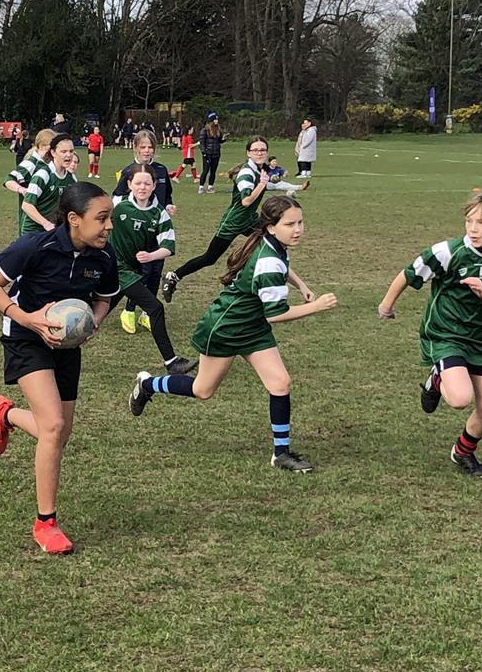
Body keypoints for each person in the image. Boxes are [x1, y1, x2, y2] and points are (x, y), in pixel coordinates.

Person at [130, 194, 337, 473]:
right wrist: (315, 306)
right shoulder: (267, 261)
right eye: (290, 224)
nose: (298, 229)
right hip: (225, 329)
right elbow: (274, 314)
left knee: (280, 383)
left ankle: (281, 454)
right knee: (202, 390)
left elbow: (282, 265)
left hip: (251, 328)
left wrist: (301, 285)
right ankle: (147, 384)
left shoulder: (272, 244)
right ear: (272, 227)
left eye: (300, 222)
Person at [0, 182, 120, 555]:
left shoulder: (103, 257)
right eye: (101, 219)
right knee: (53, 427)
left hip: (66, 346)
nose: (109, 227)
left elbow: (106, 297)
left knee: (57, 433)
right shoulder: (34, 246)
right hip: (25, 338)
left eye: (111, 218)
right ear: (74, 220)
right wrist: (28, 319)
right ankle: (46, 523)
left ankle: (6, 415)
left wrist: (93, 323)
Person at [376, 190, 482, 479]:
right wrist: (386, 305)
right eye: (469, 221)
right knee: (459, 399)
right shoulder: (448, 251)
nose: (473, 228)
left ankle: (463, 452)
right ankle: (437, 377)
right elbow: (409, 274)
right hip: (446, 333)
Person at [162, 136, 271, 302]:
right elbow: (246, 200)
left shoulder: (260, 169)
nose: (259, 153)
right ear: (248, 153)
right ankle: (174, 276)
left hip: (249, 219)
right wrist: (262, 184)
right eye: (255, 150)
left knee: (269, 241)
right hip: (233, 222)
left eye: (262, 150)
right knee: (210, 258)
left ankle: (247, 280)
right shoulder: (247, 173)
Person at [108, 167, 194, 372]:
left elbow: (168, 246)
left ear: (154, 186)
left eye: (147, 183)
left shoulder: (159, 214)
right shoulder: (117, 205)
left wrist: (150, 256)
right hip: (116, 268)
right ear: (129, 184)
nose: (142, 187)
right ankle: (172, 362)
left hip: (131, 272)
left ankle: (60, 346)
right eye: (138, 183)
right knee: (155, 308)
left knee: (94, 316)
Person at [18, 134, 78, 236]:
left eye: (71, 151)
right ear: (53, 152)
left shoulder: (72, 179)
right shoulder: (43, 175)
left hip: (54, 232)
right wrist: (46, 224)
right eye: (63, 151)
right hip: (34, 233)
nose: (68, 155)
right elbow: (27, 205)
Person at [198, 114, 224, 193]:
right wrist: (204, 153)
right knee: (205, 171)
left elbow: (219, 141)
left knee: (213, 171)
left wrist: (224, 139)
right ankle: (201, 186)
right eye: (215, 120)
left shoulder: (218, 129)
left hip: (216, 153)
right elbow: (202, 143)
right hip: (207, 153)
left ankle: (210, 186)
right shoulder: (205, 130)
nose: (217, 121)